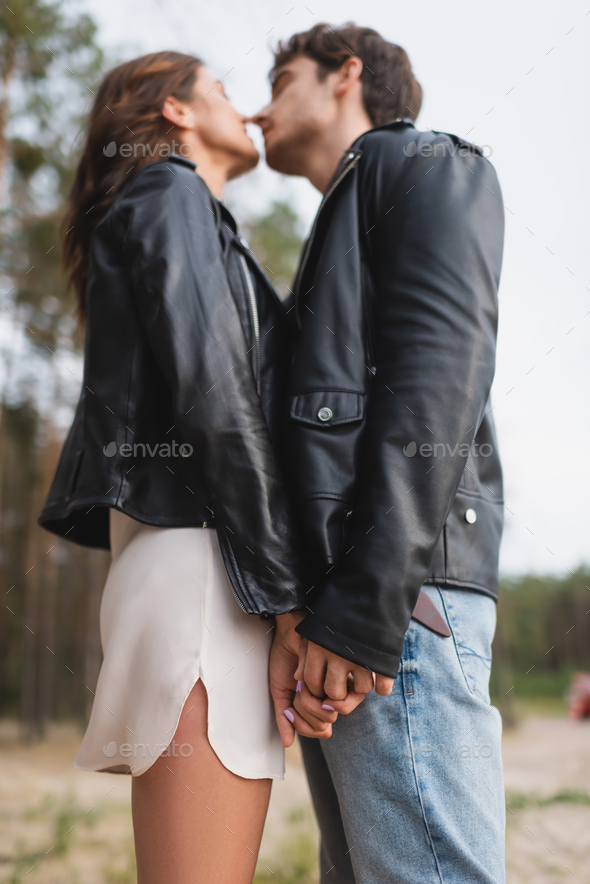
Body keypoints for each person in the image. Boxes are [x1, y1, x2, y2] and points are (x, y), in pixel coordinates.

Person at [37, 50, 331, 884]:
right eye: (224, 91)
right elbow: (215, 397)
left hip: (197, 562)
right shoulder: (169, 193)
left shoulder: (168, 210)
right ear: (175, 112)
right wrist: (287, 600)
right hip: (210, 573)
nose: (244, 109)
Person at [254, 23, 507, 884]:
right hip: (361, 605)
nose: (258, 109)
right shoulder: (349, 213)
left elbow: (441, 382)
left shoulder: (430, 164)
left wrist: (365, 608)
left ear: (344, 76)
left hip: (397, 601)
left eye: (281, 78)